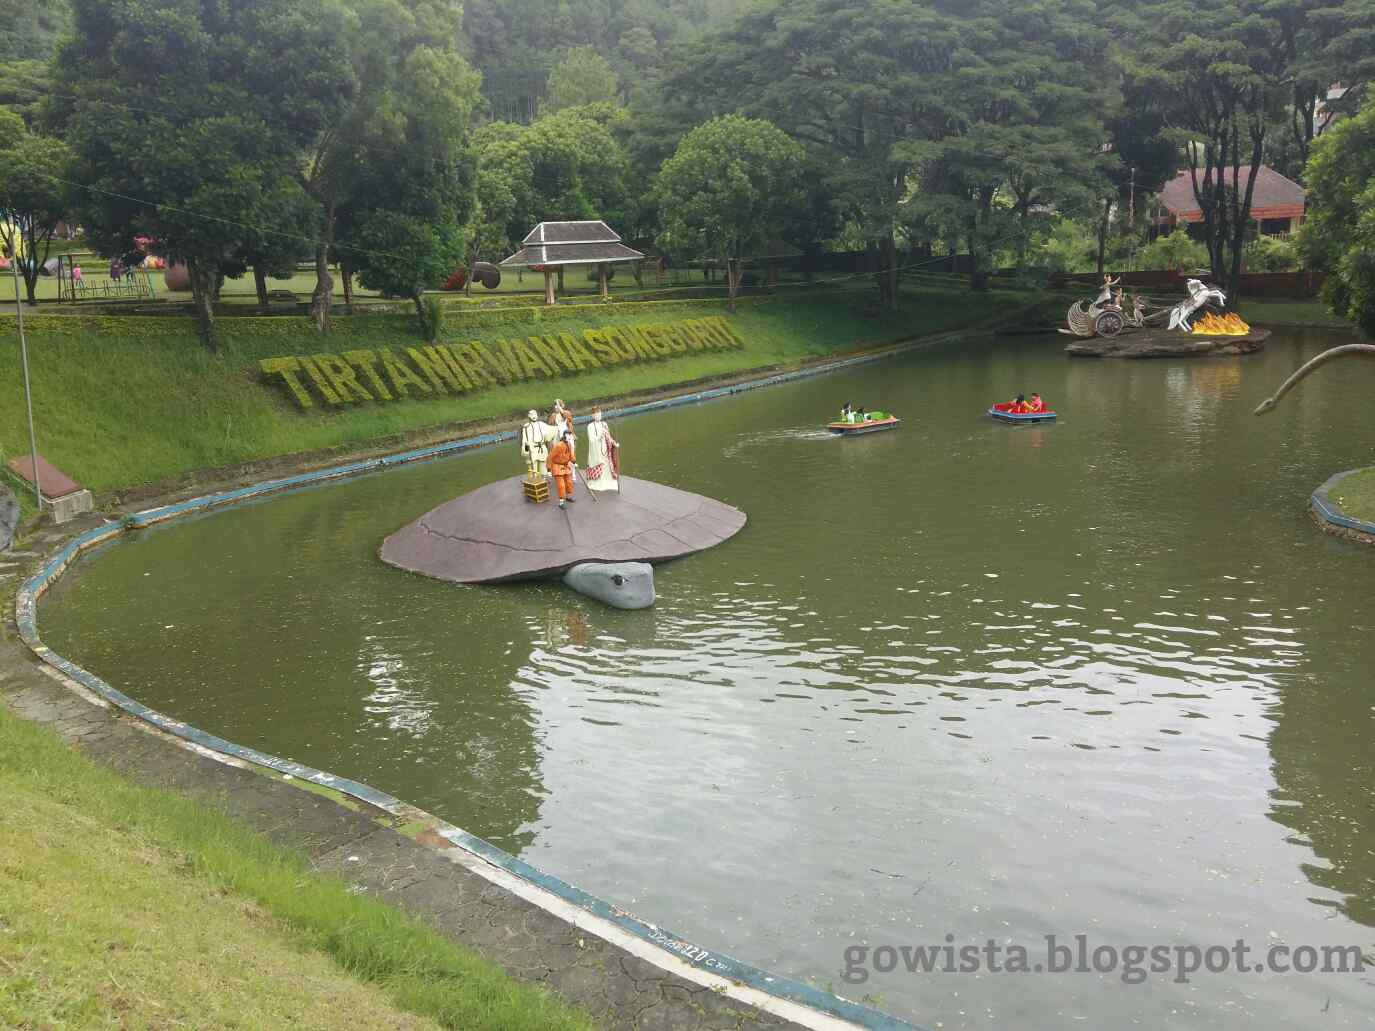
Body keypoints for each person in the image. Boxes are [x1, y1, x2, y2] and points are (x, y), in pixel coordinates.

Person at [584, 407, 620, 492]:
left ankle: (610, 482)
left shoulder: (604, 424)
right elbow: (591, 440)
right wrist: (599, 436)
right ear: (592, 416)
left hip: (605, 449)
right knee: (599, 464)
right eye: (596, 414)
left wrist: (614, 443)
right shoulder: (590, 426)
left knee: (607, 464)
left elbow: (608, 437)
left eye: (599, 413)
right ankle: (597, 483)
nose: (598, 415)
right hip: (596, 451)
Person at [520, 409, 554, 478]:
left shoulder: (541, 424)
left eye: (535, 414)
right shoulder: (526, 427)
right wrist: (526, 451)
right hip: (532, 449)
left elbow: (549, 431)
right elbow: (525, 440)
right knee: (533, 467)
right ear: (529, 416)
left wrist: (558, 428)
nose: (534, 416)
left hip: (541, 447)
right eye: (532, 415)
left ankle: (544, 479)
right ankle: (534, 480)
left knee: (543, 465)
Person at [548, 430, 577, 508]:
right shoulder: (558, 446)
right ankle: (561, 502)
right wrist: (549, 469)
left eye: (570, 435)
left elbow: (571, 455)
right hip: (557, 467)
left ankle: (568, 496)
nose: (570, 437)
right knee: (561, 485)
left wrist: (574, 461)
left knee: (569, 482)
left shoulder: (569, 445)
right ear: (564, 436)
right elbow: (550, 457)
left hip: (566, 466)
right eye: (568, 435)